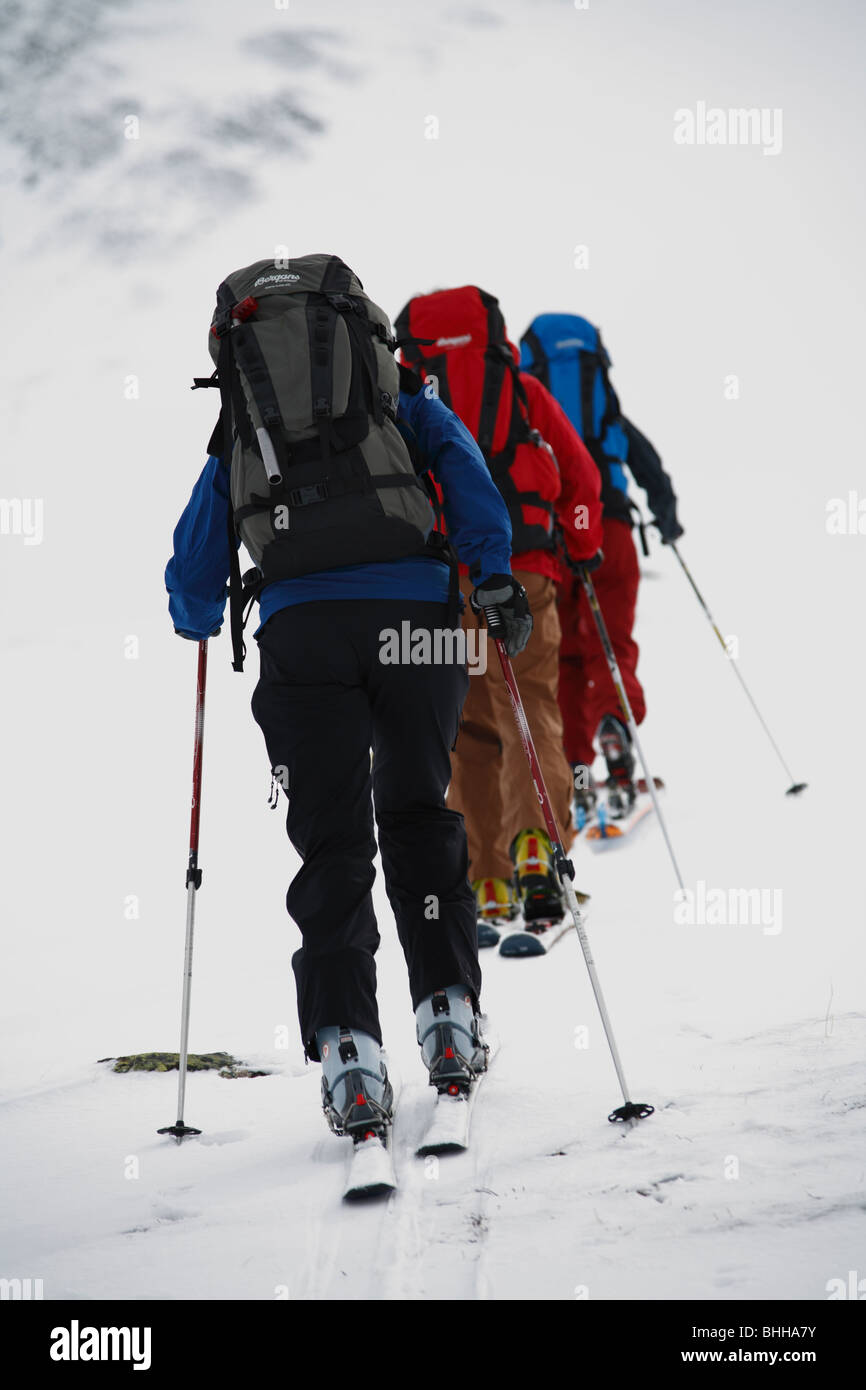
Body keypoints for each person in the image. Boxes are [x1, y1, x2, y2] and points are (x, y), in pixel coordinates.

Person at [166, 254, 523, 1149]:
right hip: (420, 624)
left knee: (332, 840)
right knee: (417, 809)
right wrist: (490, 574)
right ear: (361, 331)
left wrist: (197, 608)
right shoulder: (397, 389)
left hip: (303, 630)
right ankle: (447, 1015)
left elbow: (197, 557)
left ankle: (350, 1053)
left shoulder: (248, 422)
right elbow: (463, 465)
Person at [395, 287, 603, 947]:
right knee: (531, 714)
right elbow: (579, 474)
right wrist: (586, 547)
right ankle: (538, 856)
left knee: (468, 730)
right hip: (528, 573)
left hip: (444, 583)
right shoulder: (521, 390)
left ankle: (485, 880)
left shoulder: (411, 401)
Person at [520, 315, 683, 817]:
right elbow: (648, 463)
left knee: (565, 658)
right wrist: (666, 517)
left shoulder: (530, 406)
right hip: (608, 528)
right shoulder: (607, 411)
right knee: (610, 645)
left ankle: (575, 766)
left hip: (552, 538)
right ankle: (615, 733)